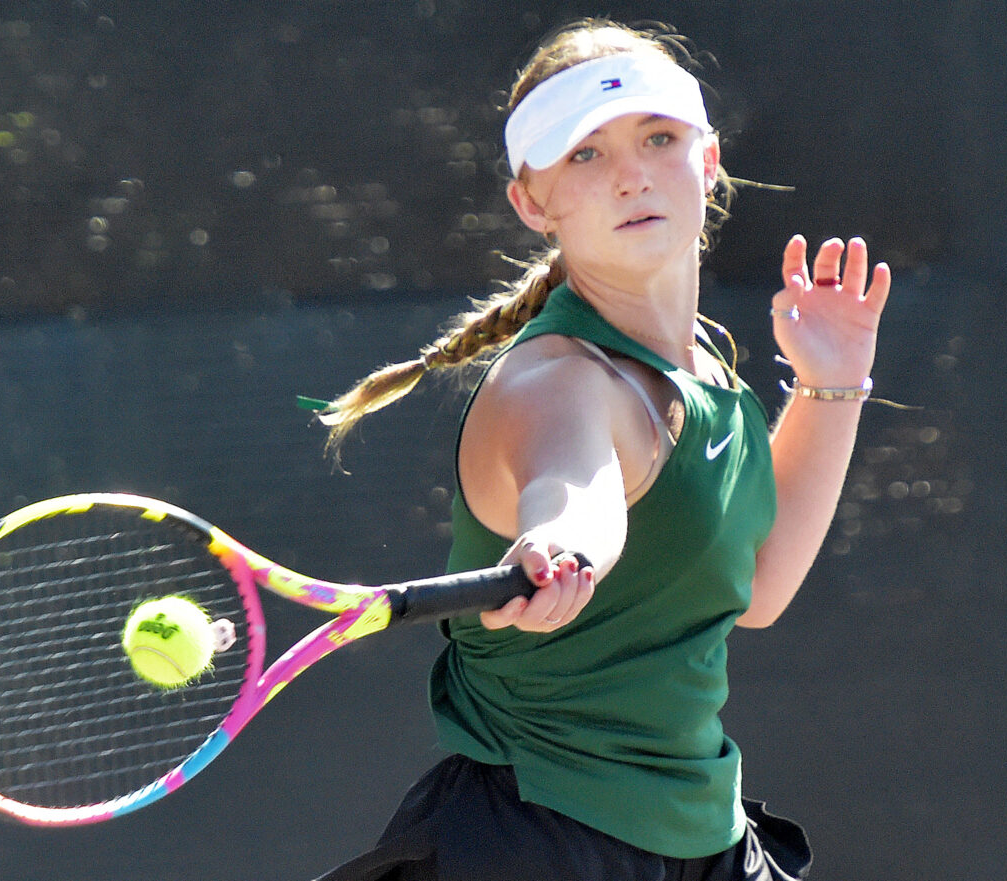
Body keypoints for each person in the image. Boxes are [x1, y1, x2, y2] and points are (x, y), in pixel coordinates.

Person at [312, 17, 890, 881]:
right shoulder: (556, 381)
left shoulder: (708, 371)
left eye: (658, 138)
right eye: (584, 155)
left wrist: (829, 386)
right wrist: (558, 545)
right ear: (532, 201)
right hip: (538, 841)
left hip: (706, 835)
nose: (629, 175)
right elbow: (575, 485)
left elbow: (758, 587)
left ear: (708, 159)